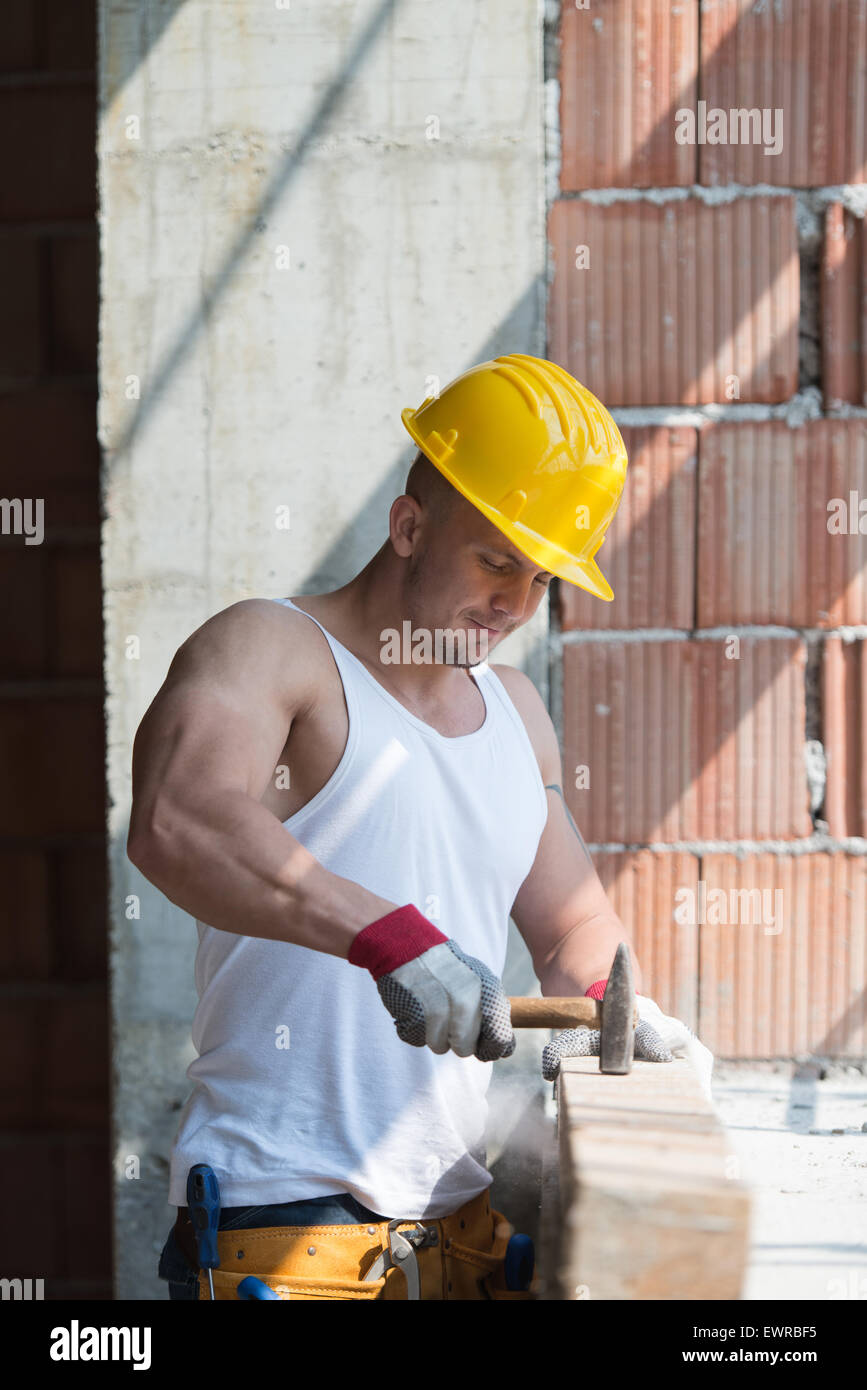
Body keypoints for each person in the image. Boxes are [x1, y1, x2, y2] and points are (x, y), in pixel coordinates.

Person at [130, 353, 713, 1300]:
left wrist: (615, 1007)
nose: (513, 606)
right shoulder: (275, 649)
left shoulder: (515, 708)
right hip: (282, 1232)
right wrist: (393, 942)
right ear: (408, 525)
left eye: (540, 579)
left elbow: (569, 928)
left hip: (457, 1235)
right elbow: (177, 820)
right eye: (493, 560)